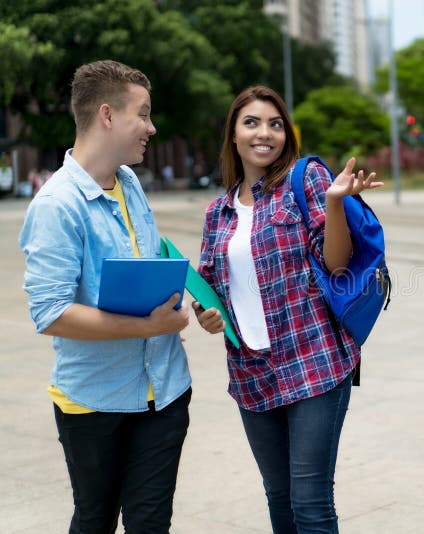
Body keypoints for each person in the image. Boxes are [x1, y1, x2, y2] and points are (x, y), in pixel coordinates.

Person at [193, 85, 381, 533]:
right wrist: (206, 316)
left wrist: (336, 202)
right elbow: (210, 292)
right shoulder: (217, 212)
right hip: (250, 371)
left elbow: (336, 264)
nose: (265, 133)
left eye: (275, 124)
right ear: (233, 135)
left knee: (310, 500)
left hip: (313, 361)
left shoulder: (305, 179)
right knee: (279, 498)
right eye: (252, 122)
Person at [18, 60, 192, 532]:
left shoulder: (130, 182)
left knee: (151, 524)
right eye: (144, 114)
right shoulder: (57, 205)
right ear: (108, 116)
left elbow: (148, 263)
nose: (152, 128)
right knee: (95, 521)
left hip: (165, 391)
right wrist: (150, 326)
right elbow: (50, 313)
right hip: (95, 402)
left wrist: (182, 299)